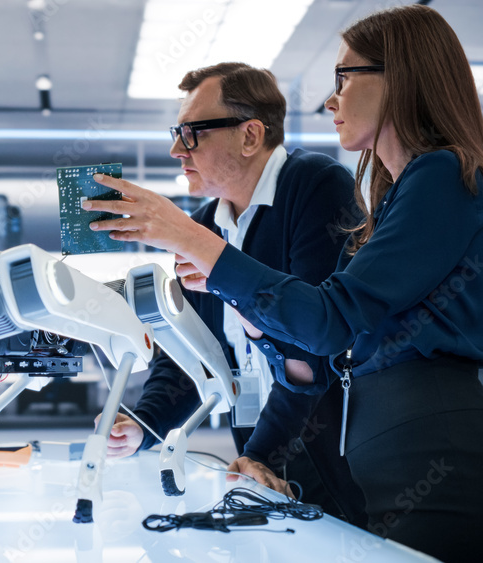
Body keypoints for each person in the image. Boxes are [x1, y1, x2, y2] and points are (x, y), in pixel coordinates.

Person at [84, 5, 483, 561]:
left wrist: (195, 243)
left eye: (345, 77)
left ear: (402, 78)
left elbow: (327, 323)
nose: (330, 99)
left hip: (423, 441)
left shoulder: (436, 174)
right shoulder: (399, 192)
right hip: (386, 445)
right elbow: (318, 336)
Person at [98, 62, 365, 525]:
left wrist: (266, 452)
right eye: (176, 132)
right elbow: (188, 355)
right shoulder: (203, 224)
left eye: (192, 133)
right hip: (255, 453)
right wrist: (142, 425)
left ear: (250, 136)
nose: (176, 149)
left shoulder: (316, 186)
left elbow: (313, 343)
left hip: (329, 443)